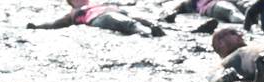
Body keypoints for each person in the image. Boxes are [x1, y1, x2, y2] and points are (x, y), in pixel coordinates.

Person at [28, 1, 167, 36]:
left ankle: (152, 28)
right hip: (100, 18)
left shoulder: (97, 3)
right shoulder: (74, 12)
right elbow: (54, 24)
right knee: (129, 23)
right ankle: (147, 32)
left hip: (120, 13)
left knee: (133, 19)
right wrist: (37, 26)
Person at [163, 0, 250, 25]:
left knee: (246, 6)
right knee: (231, 12)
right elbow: (177, 8)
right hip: (212, 5)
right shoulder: (189, 3)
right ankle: (246, 22)